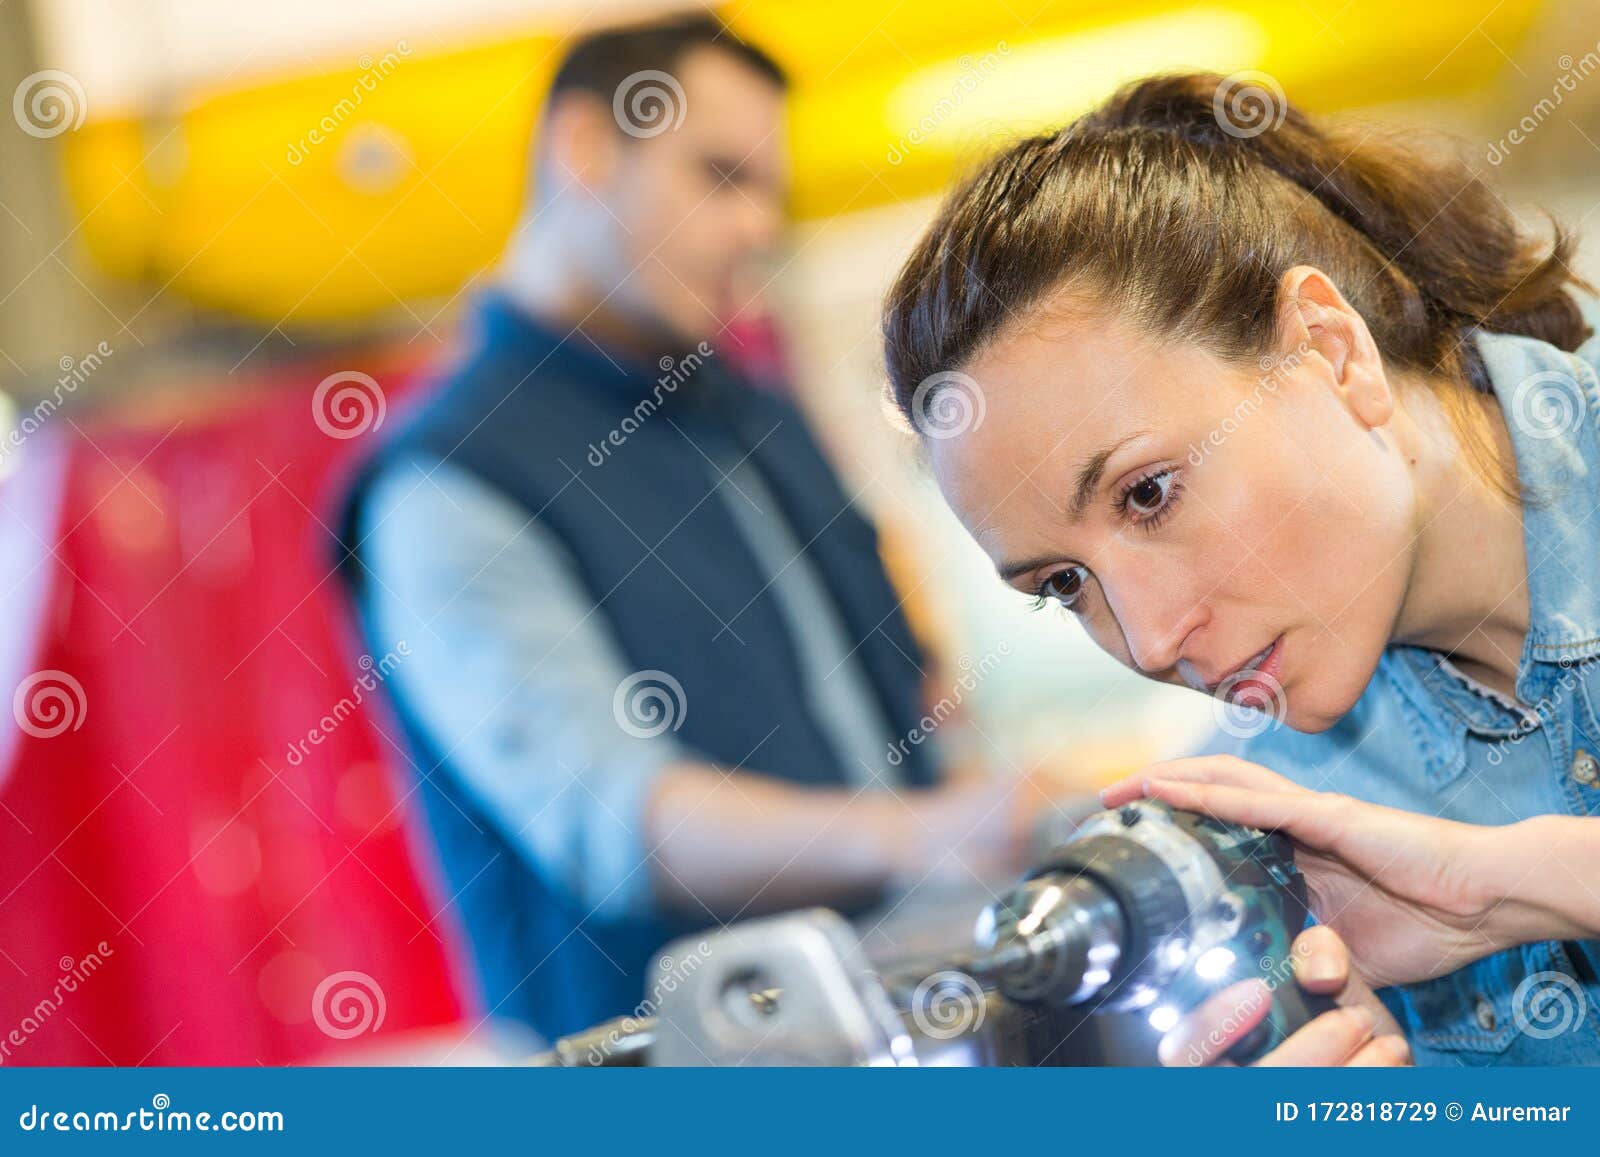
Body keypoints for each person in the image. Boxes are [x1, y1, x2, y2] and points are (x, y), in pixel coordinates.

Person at [335, 14, 1067, 1041]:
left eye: (769, 189)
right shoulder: (447, 482)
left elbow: (907, 690)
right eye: (719, 176)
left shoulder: (752, 411)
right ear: (585, 148)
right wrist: (921, 833)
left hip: (892, 1017)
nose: (756, 227)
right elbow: (613, 820)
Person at [881, 71, 1600, 1066]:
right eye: (1062, 584)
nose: (1147, 638)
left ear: (1331, 351)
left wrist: (1512, 878)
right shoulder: (1291, 828)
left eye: (1147, 493)